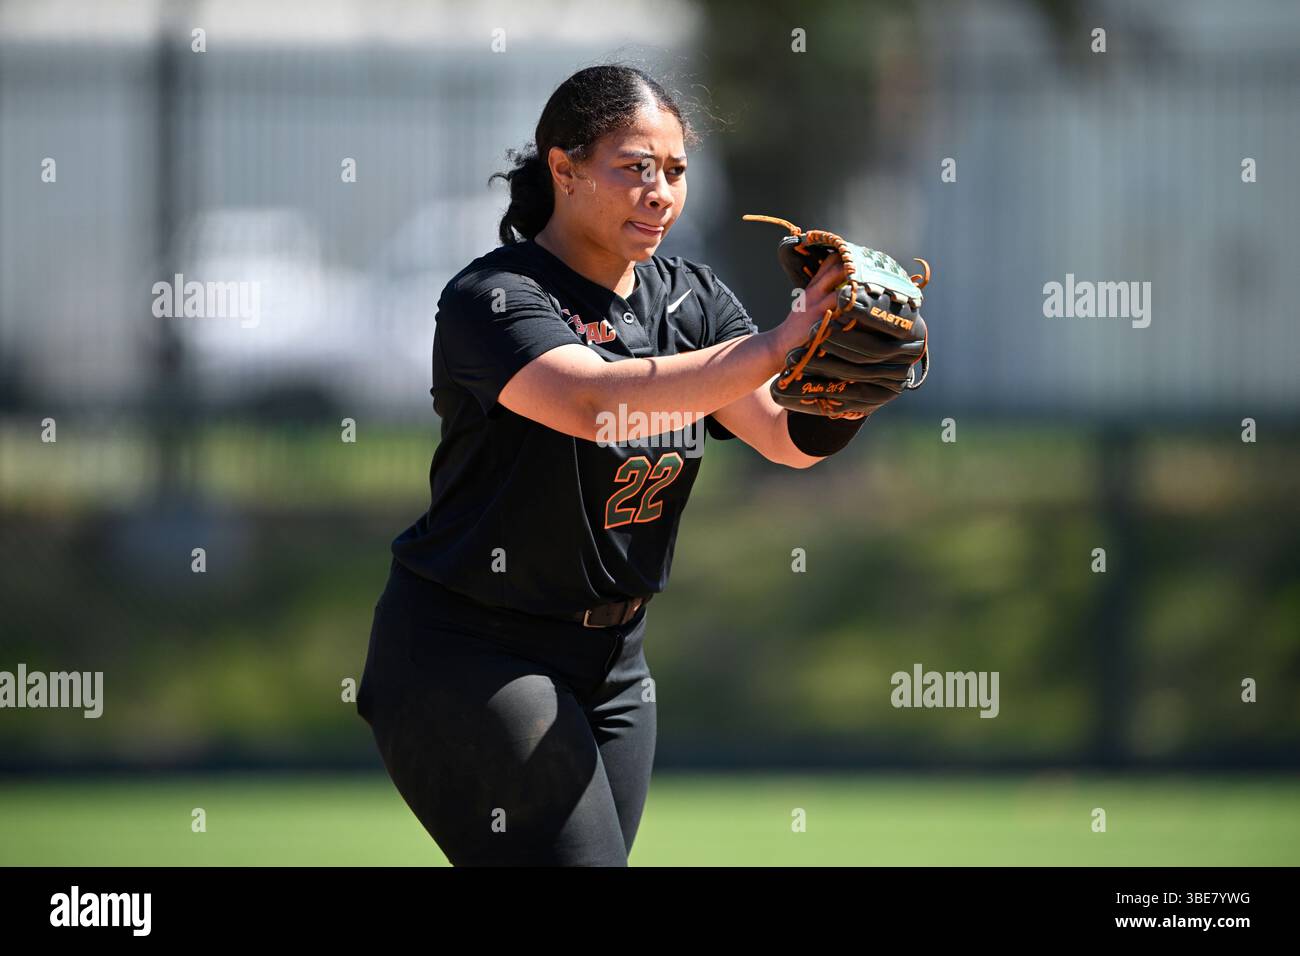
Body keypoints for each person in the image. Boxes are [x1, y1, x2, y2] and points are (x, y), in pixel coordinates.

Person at [355, 63, 870, 866]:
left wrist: (847, 380)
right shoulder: (495, 298)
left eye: (675, 170)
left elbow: (782, 439)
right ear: (562, 169)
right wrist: (776, 344)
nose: (660, 191)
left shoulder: (693, 301)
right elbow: (595, 406)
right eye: (634, 167)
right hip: (471, 654)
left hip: (615, 667)